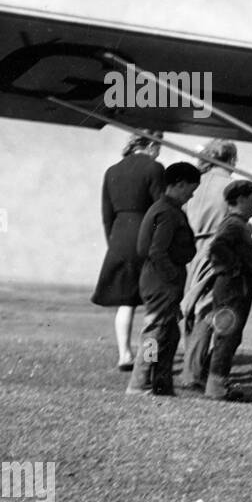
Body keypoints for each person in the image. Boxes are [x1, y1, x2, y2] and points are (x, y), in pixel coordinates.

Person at [126, 162, 200, 396]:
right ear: (179, 184)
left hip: (161, 282)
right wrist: (171, 277)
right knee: (155, 333)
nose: (192, 194)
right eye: (191, 188)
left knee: (169, 334)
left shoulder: (165, 208)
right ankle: (139, 384)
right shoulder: (167, 212)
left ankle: (161, 384)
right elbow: (156, 250)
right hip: (161, 283)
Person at [92, 132, 164, 370]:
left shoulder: (112, 171)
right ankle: (150, 358)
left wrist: (113, 242)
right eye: (159, 146)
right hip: (146, 238)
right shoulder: (154, 168)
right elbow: (160, 209)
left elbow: (106, 215)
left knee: (127, 302)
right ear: (152, 144)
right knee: (155, 304)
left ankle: (124, 355)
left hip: (119, 238)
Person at [180, 139, 238, 388]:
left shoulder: (196, 183)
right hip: (217, 250)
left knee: (190, 309)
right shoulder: (231, 186)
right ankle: (193, 373)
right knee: (206, 311)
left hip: (191, 251)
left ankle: (190, 367)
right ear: (231, 160)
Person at [201, 180, 252, 401]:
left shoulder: (234, 223)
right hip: (233, 287)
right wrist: (234, 269)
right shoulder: (235, 225)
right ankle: (216, 387)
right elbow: (217, 248)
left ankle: (213, 380)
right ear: (241, 200)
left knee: (228, 335)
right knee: (228, 336)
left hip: (231, 286)